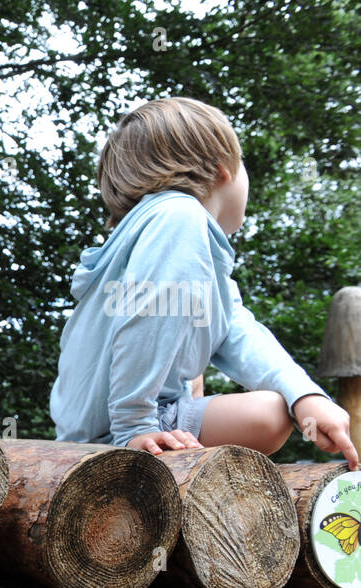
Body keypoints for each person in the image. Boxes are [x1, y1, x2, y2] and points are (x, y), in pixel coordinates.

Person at [49, 97, 358, 470]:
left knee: (277, 409)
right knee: (269, 415)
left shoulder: (184, 244)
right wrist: (134, 425)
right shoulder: (179, 217)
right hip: (114, 431)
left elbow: (241, 335)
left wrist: (305, 396)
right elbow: (146, 318)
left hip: (114, 424)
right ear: (222, 170)